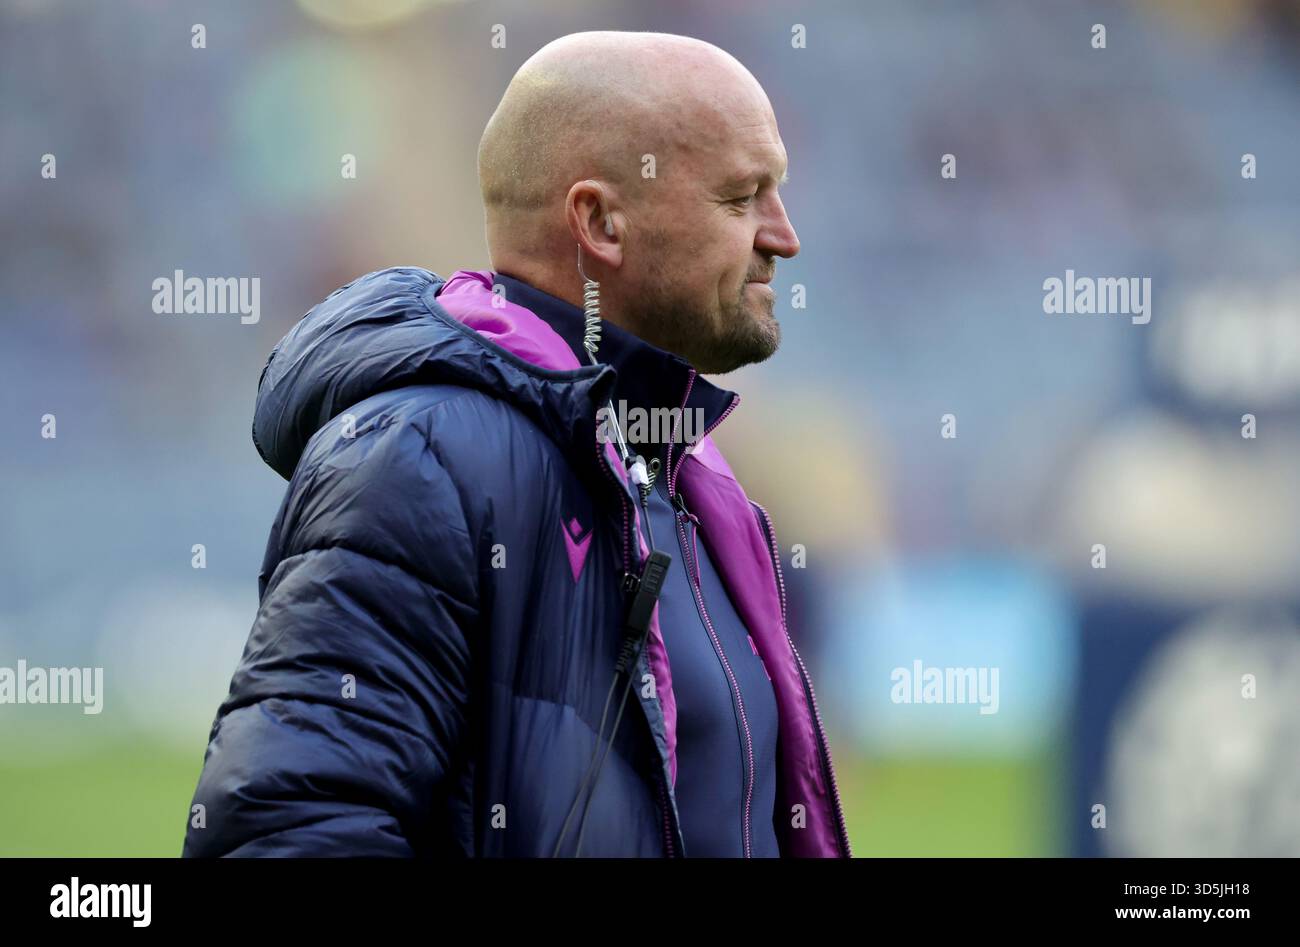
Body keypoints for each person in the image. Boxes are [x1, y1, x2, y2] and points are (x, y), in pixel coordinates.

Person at [183, 30, 850, 858]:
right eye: (742, 197)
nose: (783, 237)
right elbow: (291, 830)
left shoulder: (684, 468)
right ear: (601, 220)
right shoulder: (415, 460)